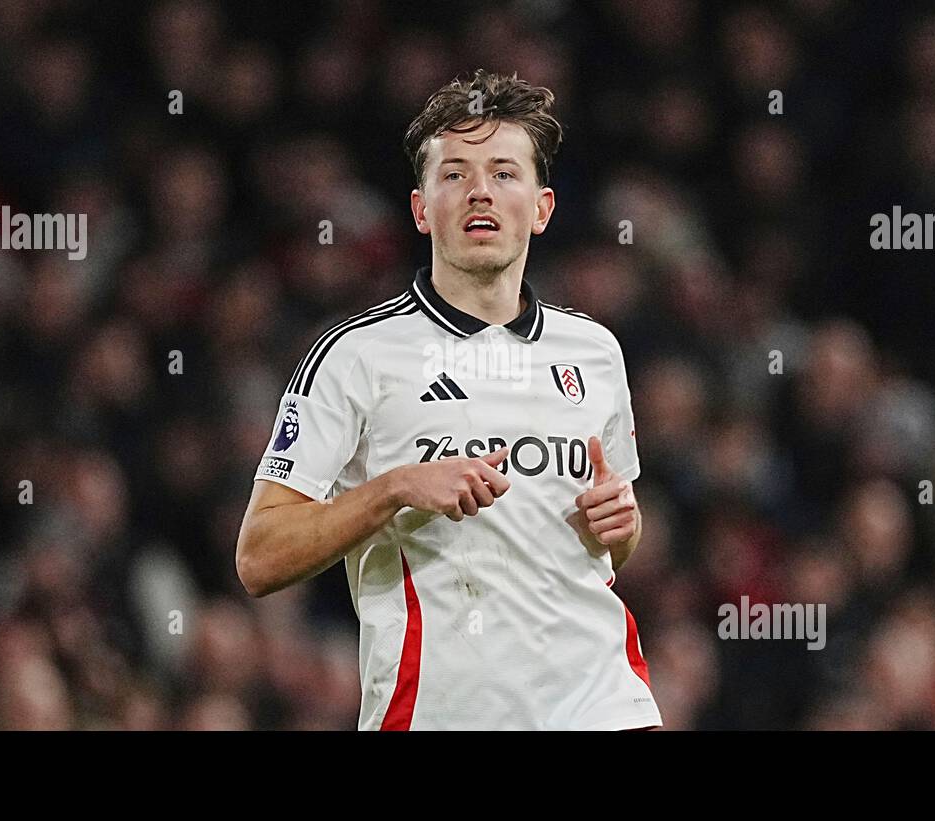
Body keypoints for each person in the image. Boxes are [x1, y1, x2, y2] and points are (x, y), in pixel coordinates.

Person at [236, 70, 661, 730]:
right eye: (455, 174)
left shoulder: (595, 351)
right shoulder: (355, 355)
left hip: (602, 706)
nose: (479, 190)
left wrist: (621, 525)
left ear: (542, 208)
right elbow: (259, 556)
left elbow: (614, 542)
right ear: (421, 208)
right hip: (441, 711)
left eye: (504, 173)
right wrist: (395, 488)